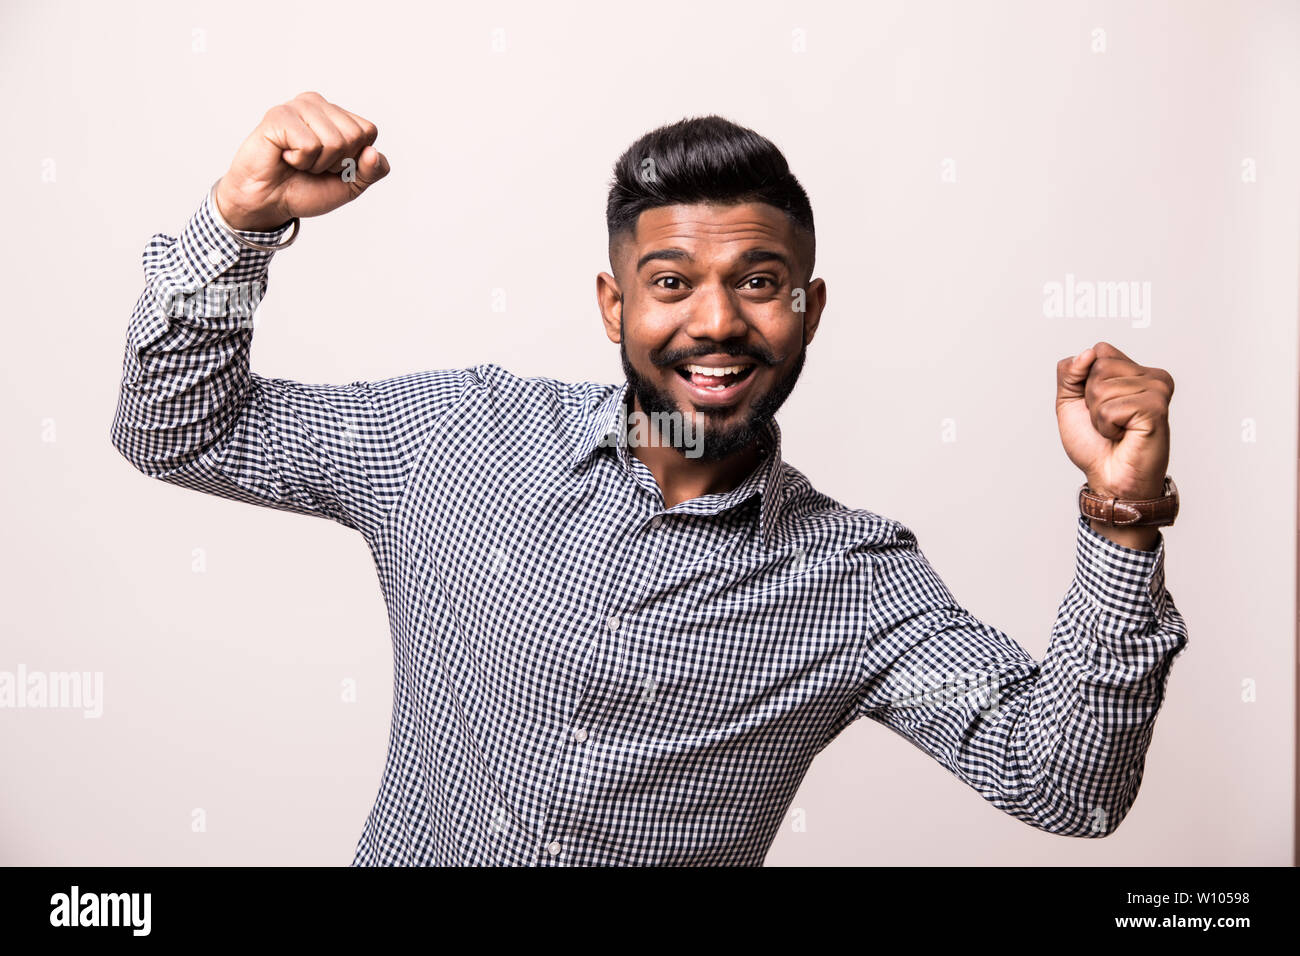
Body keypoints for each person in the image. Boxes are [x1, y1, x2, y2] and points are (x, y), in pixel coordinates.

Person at [110, 92, 1188, 866]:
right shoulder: (453, 436)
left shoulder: (859, 582)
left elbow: (1066, 785)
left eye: (758, 282)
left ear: (807, 309)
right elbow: (176, 430)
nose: (716, 320)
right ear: (612, 305)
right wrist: (240, 228)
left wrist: (1123, 516)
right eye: (671, 281)